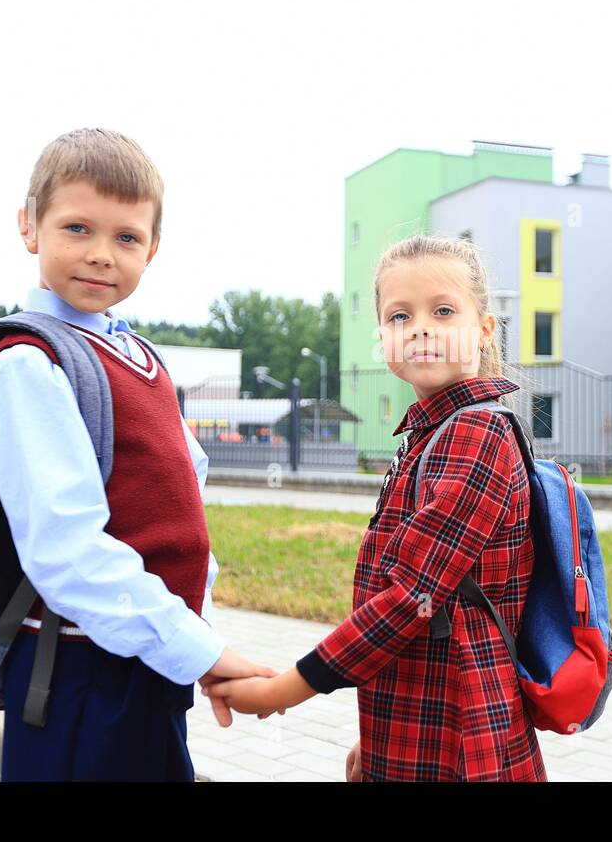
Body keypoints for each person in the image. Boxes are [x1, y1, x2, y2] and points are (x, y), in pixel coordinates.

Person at [0, 127, 276, 781]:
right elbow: (66, 550)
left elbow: (183, 521)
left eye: (126, 237)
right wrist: (195, 650)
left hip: (145, 661)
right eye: (77, 228)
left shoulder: (141, 358)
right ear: (29, 226)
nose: (101, 255)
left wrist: (196, 641)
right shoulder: (30, 362)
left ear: (154, 248)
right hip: (79, 674)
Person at [207, 233, 547, 781]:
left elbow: (410, 598)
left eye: (442, 310)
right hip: (417, 722)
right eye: (398, 316)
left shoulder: (478, 432)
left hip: (459, 735)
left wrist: (284, 690)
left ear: (484, 329)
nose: (419, 328)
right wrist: (376, 737)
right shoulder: (431, 432)